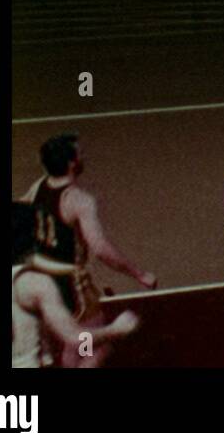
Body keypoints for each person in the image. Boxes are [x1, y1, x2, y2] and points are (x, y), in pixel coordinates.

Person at [18, 133, 156, 365]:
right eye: (81, 154)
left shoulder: (39, 186)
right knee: (95, 346)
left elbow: (22, 211)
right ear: (72, 163)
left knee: (67, 339)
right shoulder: (79, 201)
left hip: (43, 278)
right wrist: (139, 273)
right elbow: (100, 249)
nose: (85, 157)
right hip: (73, 287)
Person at [11, 202, 140, 369]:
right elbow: (76, 338)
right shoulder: (36, 283)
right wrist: (117, 329)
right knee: (93, 351)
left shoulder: (35, 278)